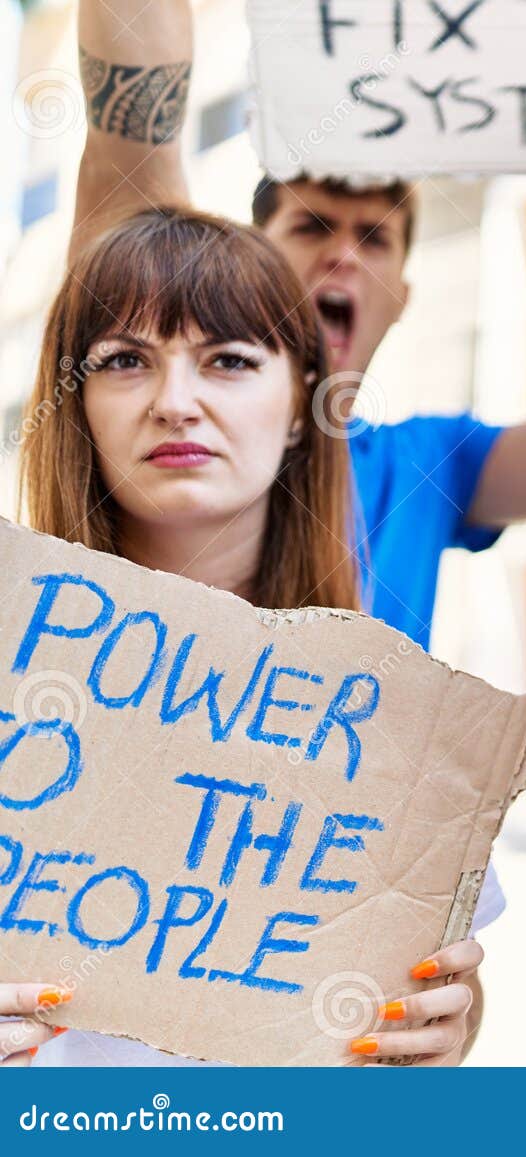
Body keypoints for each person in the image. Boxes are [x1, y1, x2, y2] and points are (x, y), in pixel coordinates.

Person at [73, 0, 526, 649]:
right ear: (254, 256)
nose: (343, 255)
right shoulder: (154, 411)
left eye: (374, 239)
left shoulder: (427, 466)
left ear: (402, 296)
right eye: (312, 226)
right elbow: (133, 147)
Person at [5, 208, 486, 1067]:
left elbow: (430, 995)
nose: (175, 402)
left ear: (304, 405)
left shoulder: (388, 714)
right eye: (124, 361)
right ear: (73, 402)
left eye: (228, 360)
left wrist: (445, 1027)